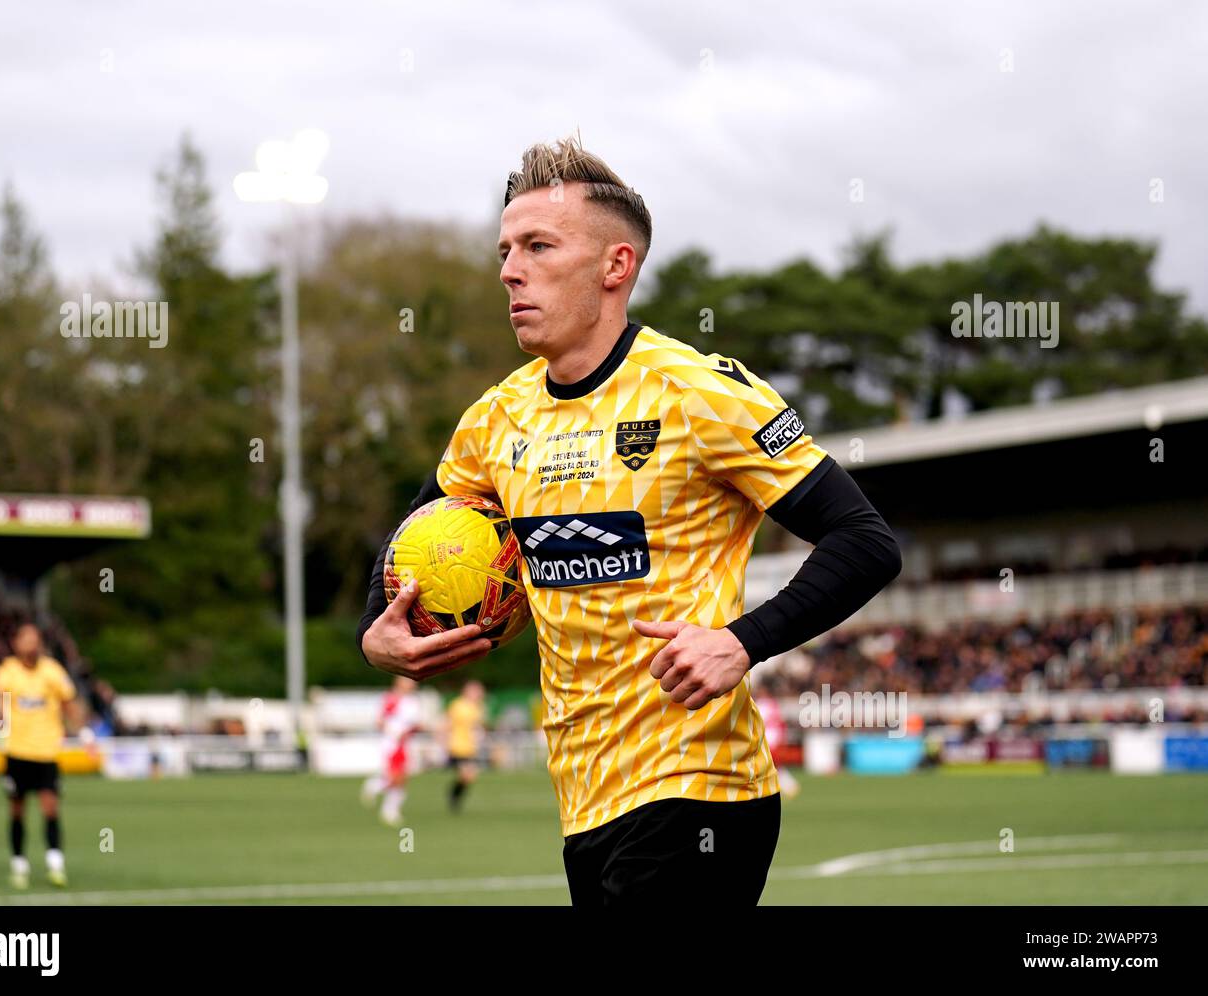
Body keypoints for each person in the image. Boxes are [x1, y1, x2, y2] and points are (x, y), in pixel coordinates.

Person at [358, 136, 901, 906]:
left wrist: (741, 642)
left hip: (699, 789)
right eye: (505, 249)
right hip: (585, 799)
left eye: (539, 246)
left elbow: (865, 542)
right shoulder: (496, 418)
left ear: (616, 266)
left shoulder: (699, 394)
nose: (510, 270)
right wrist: (375, 630)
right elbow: (409, 543)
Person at [0, 622, 89, 889]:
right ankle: (19, 864)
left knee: (50, 807)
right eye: (26, 640)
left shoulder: (53, 671)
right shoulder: (6, 672)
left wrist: (85, 734)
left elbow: (69, 705)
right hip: (17, 751)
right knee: (17, 809)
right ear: (16, 643)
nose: (32, 645)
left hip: (46, 752)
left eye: (35, 640)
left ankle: (55, 865)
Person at [360, 676, 422, 826]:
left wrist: (413, 730)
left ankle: (383, 798)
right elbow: (380, 721)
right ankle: (387, 806)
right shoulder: (391, 699)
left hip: (406, 744)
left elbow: (415, 723)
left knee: (402, 778)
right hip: (392, 743)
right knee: (395, 777)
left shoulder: (414, 702)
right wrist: (394, 732)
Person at [442, 680, 487, 812]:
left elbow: (478, 726)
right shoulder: (458, 705)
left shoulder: (478, 707)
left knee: (470, 776)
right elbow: (447, 723)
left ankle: (454, 794)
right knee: (467, 774)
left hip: (470, 747)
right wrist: (444, 740)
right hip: (457, 745)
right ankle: (453, 796)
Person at [754, 681, 800, 799]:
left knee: (768, 765)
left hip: (767, 738)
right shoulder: (773, 703)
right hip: (775, 737)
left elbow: (757, 721)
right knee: (774, 765)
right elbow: (781, 722)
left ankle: (785, 787)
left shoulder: (762, 704)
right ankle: (788, 786)